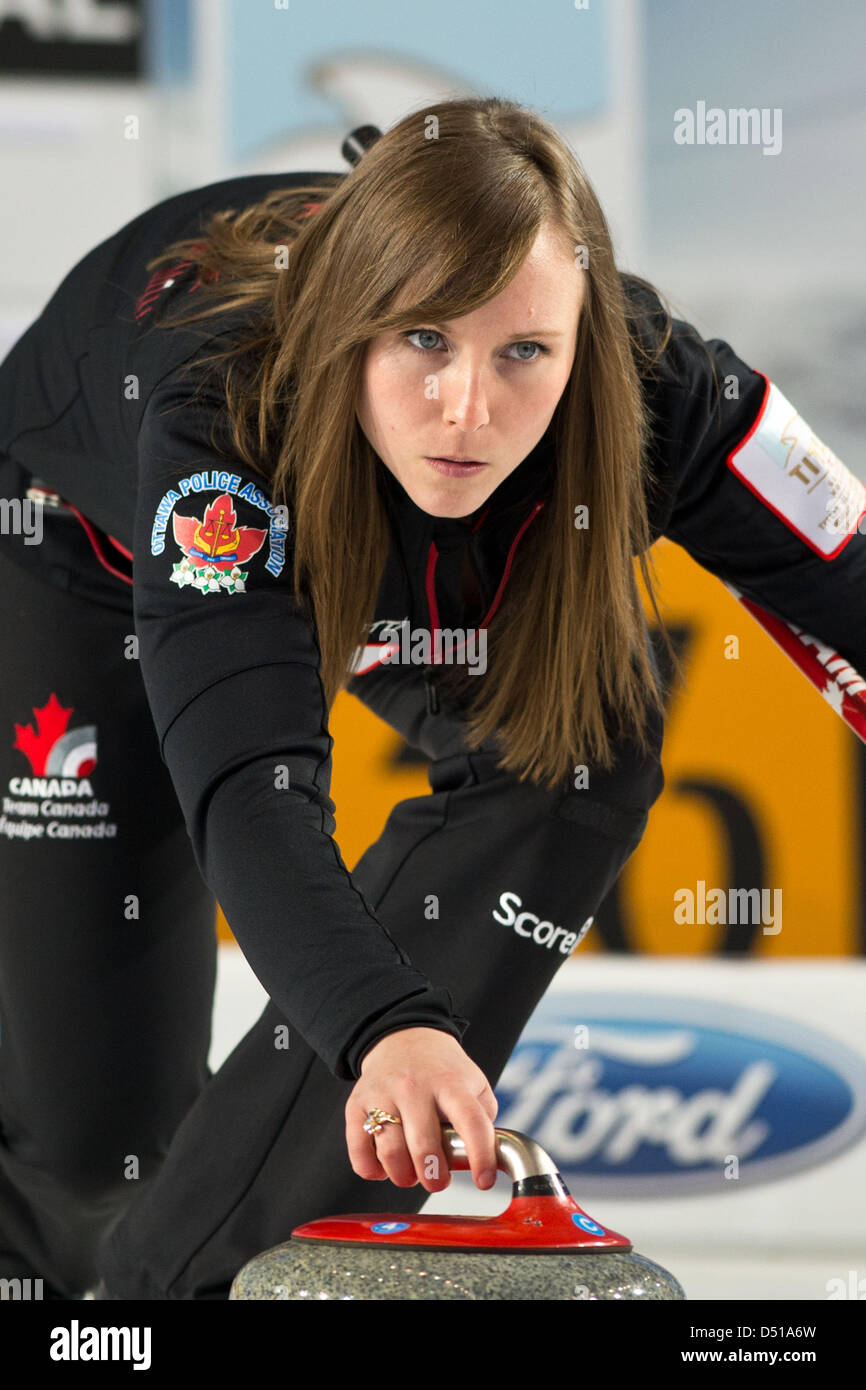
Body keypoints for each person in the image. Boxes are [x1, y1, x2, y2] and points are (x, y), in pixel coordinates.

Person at [0, 97, 863, 1302]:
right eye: (421, 340)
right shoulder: (222, 412)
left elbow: (849, 584)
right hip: (75, 552)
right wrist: (385, 1024)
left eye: (524, 352)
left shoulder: (671, 390)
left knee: (579, 745)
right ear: (355, 326)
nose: (470, 408)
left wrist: (392, 1035)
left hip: (389, 522)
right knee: (93, 1154)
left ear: (587, 344)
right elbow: (252, 780)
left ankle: (198, 1287)